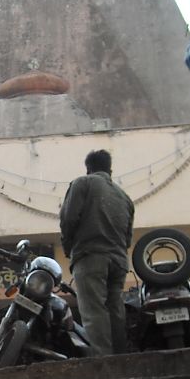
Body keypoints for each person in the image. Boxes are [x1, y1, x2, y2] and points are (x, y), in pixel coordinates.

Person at [59, 149, 135, 356]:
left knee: (94, 310)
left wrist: (68, 248)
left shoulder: (82, 183)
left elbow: (68, 219)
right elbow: (128, 237)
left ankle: (102, 360)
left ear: (88, 169)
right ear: (110, 170)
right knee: (115, 309)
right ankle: (121, 358)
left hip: (90, 256)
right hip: (119, 260)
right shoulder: (124, 197)